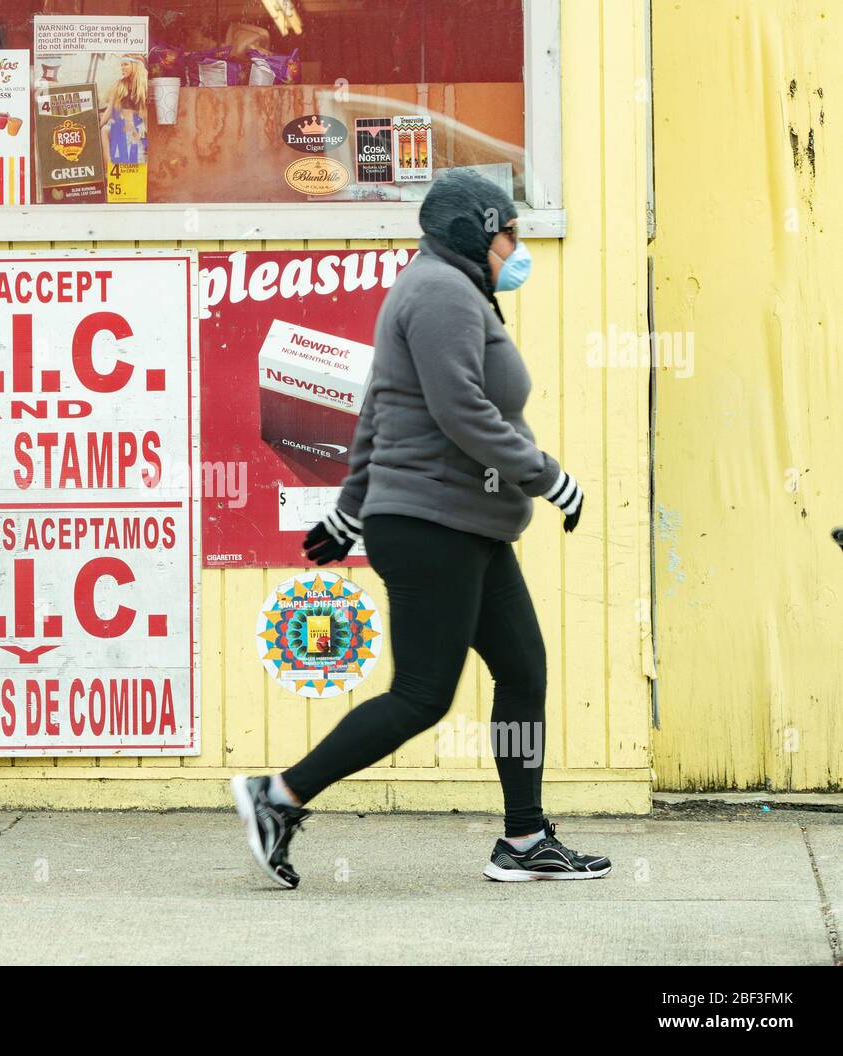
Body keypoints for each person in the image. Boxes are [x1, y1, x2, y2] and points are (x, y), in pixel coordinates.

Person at [231, 169, 611, 889]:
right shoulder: (440, 291)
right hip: (435, 520)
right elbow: (459, 412)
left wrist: (347, 508)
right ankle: (276, 798)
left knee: (523, 671)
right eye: (509, 233)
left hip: (465, 521)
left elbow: (378, 409)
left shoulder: (445, 287)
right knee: (423, 695)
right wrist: (545, 474)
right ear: (476, 230)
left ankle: (526, 841)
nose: (516, 247)